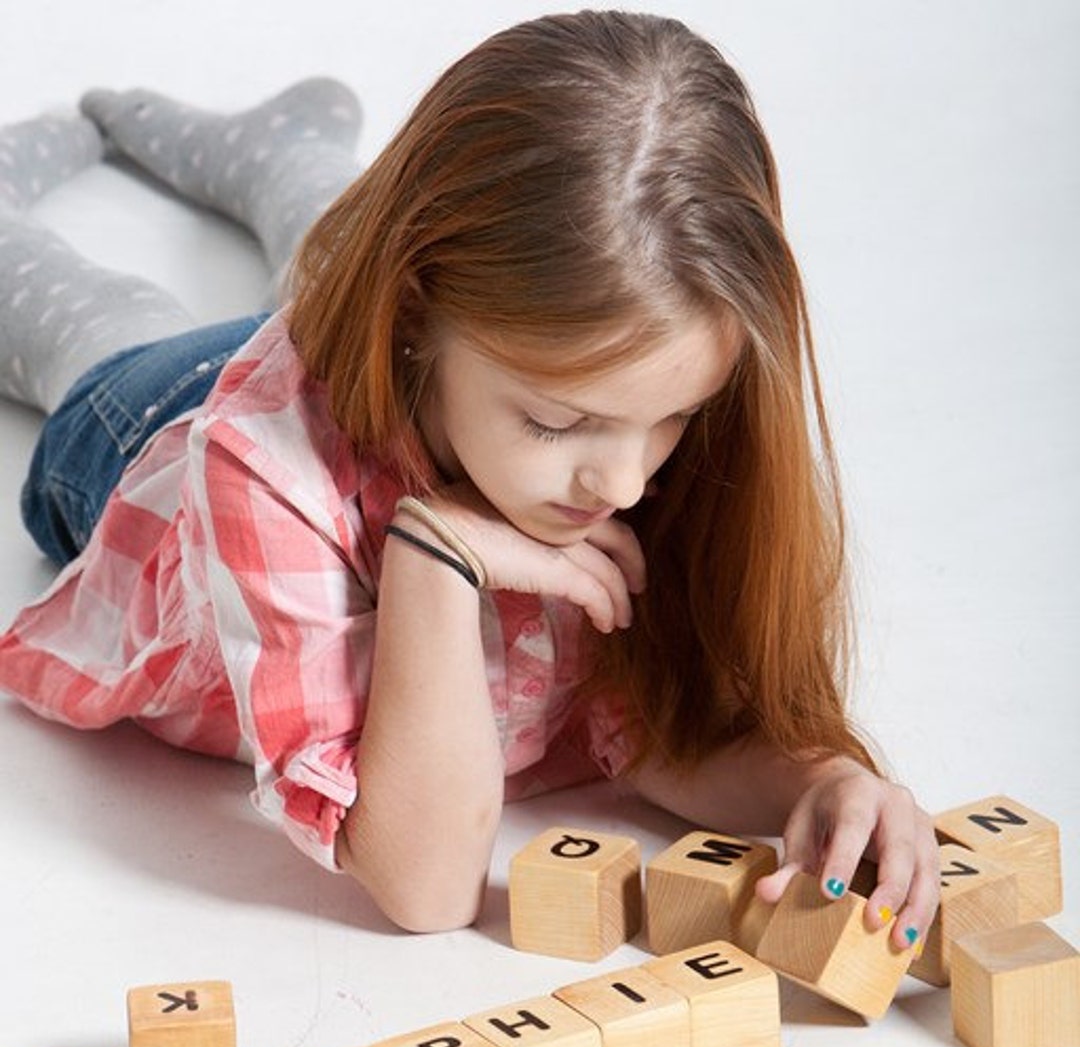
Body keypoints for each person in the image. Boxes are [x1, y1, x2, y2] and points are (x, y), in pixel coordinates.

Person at [0, 11, 939, 940]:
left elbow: (657, 736)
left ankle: (286, 148)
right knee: (107, 317)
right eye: (559, 421)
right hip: (155, 419)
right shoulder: (258, 464)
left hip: (400, 362)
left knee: (331, 257)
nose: (623, 485)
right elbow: (430, 889)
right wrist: (433, 556)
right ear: (413, 315)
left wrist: (822, 778)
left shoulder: (600, 394)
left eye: (675, 416)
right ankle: (229, 160)